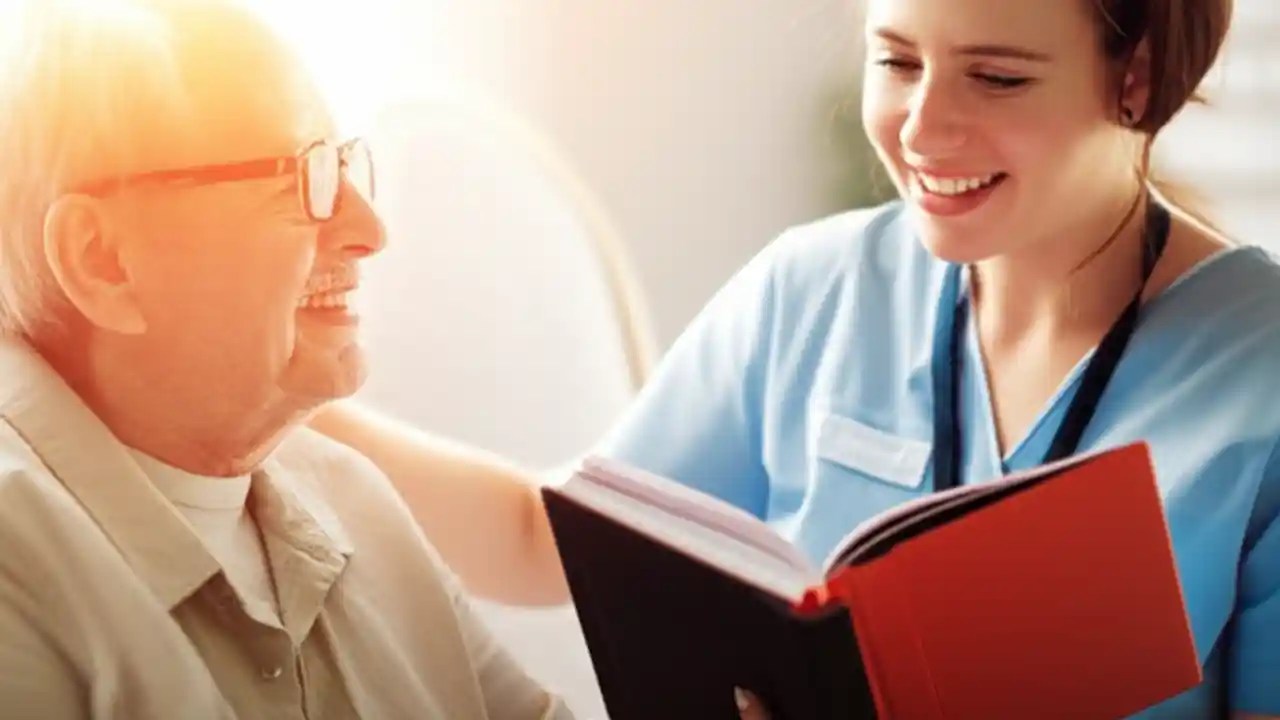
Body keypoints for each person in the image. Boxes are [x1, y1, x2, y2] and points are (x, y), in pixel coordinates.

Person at [316, 0, 1280, 717]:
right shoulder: (813, 291)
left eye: (996, 78)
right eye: (898, 62)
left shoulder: (1256, 374)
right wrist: (290, 403)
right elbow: (547, 541)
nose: (920, 126)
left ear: (1138, 76)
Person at [0, 0, 575, 717]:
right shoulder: (16, 567)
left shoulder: (353, 498)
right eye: (304, 180)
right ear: (104, 260)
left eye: (342, 166)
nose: (370, 230)